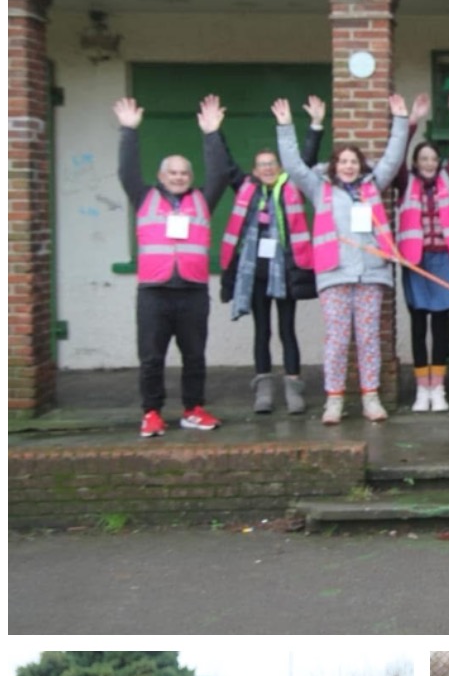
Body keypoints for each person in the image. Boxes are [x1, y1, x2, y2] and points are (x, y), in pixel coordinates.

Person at [274, 95, 409, 424]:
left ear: (361, 166)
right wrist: (286, 127)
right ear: (334, 166)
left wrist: (401, 121)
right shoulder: (319, 188)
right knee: (336, 340)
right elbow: (293, 165)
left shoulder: (372, 186)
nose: (349, 166)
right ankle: (333, 400)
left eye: (354, 162)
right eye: (343, 161)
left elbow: (392, 159)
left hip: (371, 274)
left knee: (368, 340)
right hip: (334, 274)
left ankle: (370, 398)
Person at [114, 95, 229, 438]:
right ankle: (151, 413)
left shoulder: (202, 199)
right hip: (154, 292)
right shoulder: (144, 196)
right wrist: (129, 131)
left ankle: (193, 409)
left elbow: (221, 173)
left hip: (192, 292)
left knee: (194, 356)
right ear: (161, 176)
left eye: (184, 172)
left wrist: (211, 134)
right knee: (151, 357)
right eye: (172, 172)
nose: (179, 177)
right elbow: (126, 169)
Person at [215, 94, 325, 415]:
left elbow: (305, 157)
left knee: (287, 330)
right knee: (261, 331)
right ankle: (263, 388)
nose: (267, 169)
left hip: (286, 273)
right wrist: (214, 132)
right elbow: (225, 164)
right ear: (254, 170)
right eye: (262, 165)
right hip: (255, 276)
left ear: (279, 169)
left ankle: (293, 387)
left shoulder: (292, 186)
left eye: (272, 165)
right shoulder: (245, 188)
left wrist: (315, 125)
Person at [394, 93, 449, 412]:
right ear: (416, 163)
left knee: (440, 325)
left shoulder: (448, 179)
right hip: (415, 260)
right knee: (418, 324)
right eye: (422, 159)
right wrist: (411, 123)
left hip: (443, 260)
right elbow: (394, 158)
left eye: (432, 160)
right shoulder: (405, 181)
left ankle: (439, 388)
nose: (428, 164)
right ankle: (422, 389)